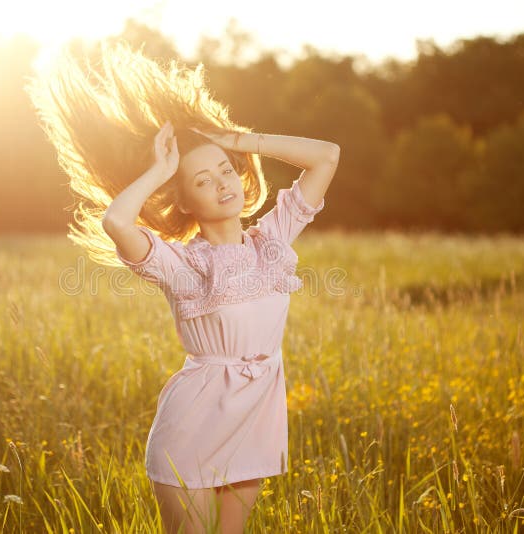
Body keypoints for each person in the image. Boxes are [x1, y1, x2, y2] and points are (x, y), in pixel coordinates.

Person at [25, 40, 339, 534]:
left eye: (225, 171)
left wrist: (236, 141)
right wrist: (159, 171)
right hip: (194, 425)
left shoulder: (271, 243)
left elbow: (326, 156)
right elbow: (117, 222)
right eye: (202, 181)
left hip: (256, 418)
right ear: (185, 202)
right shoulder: (184, 265)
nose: (221, 183)